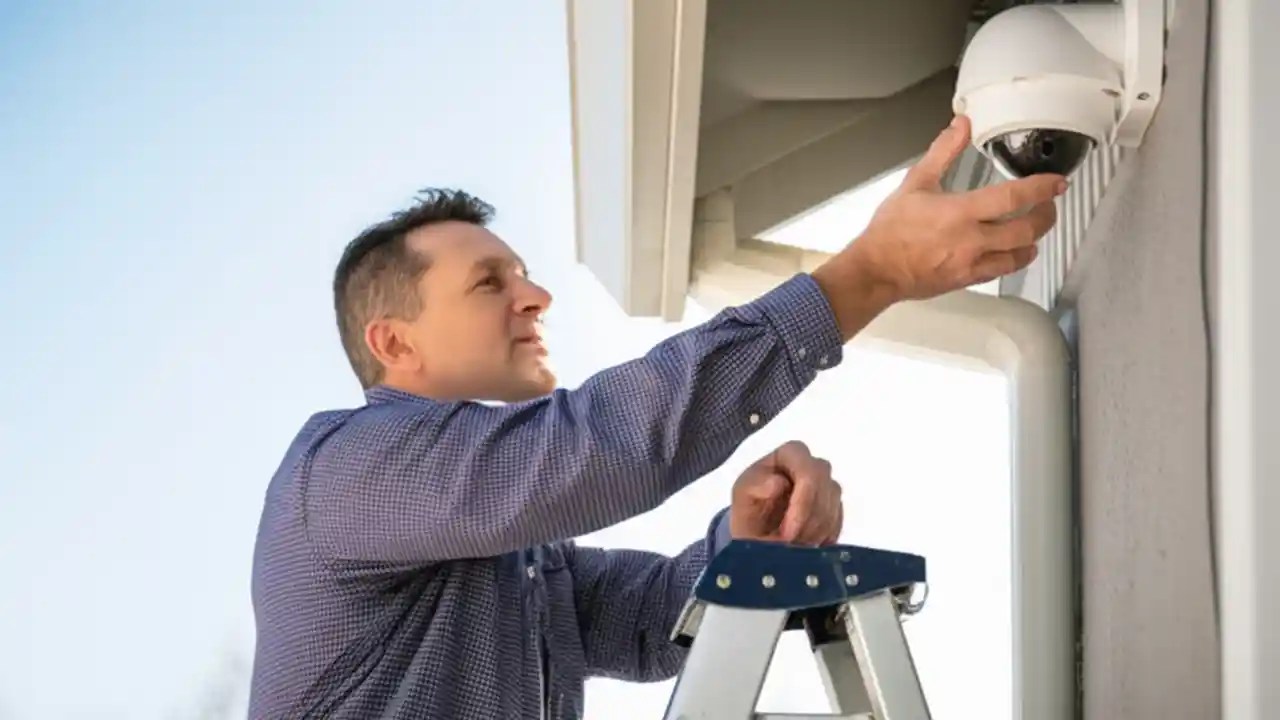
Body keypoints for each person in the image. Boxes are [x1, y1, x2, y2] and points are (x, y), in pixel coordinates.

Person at [247, 115, 1065, 719]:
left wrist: (745, 538)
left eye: (524, 275)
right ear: (395, 343)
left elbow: (646, 624)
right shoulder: (344, 469)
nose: (535, 297)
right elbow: (593, 449)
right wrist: (869, 274)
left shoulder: (515, 550)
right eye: (489, 283)